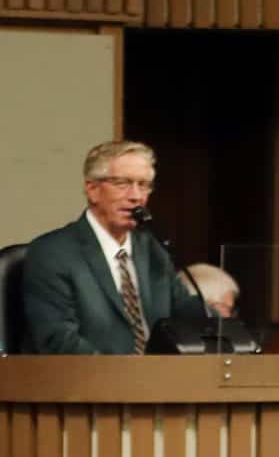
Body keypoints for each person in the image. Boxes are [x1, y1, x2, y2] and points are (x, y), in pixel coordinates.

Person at [18, 140, 207, 355]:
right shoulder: (52, 253)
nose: (136, 196)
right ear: (93, 190)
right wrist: (125, 376)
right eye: (122, 183)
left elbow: (188, 316)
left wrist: (224, 329)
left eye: (143, 185)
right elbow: (58, 340)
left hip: (157, 380)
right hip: (87, 382)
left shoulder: (153, 248)